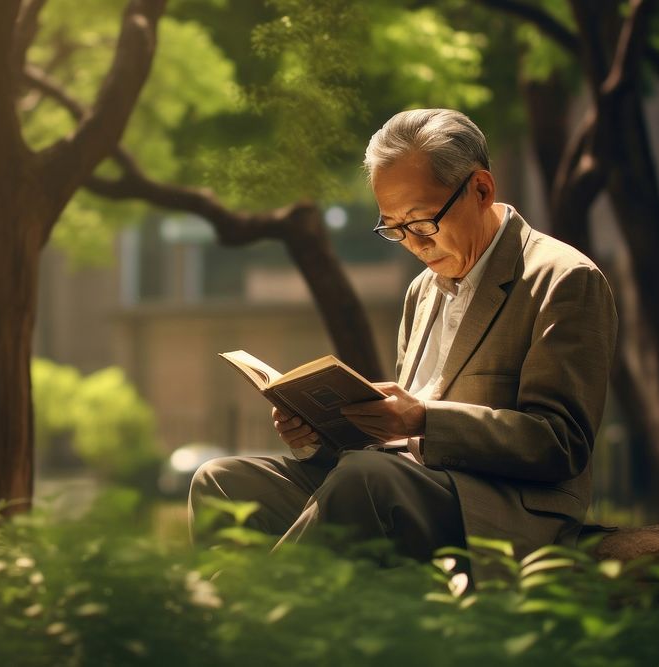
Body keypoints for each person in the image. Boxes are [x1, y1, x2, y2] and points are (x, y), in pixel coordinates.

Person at [188, 109, 618, 582]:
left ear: (481, 190)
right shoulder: (423, 290)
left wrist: (424, 419)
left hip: (500, 504)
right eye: (393, 226)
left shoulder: (562, 279)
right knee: (224, 479)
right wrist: (318, 436)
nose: (412, 243)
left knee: (366, 481)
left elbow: (562, 443)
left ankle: (243, 628)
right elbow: (394, 444)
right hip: (394, 483)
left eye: (421, 221)